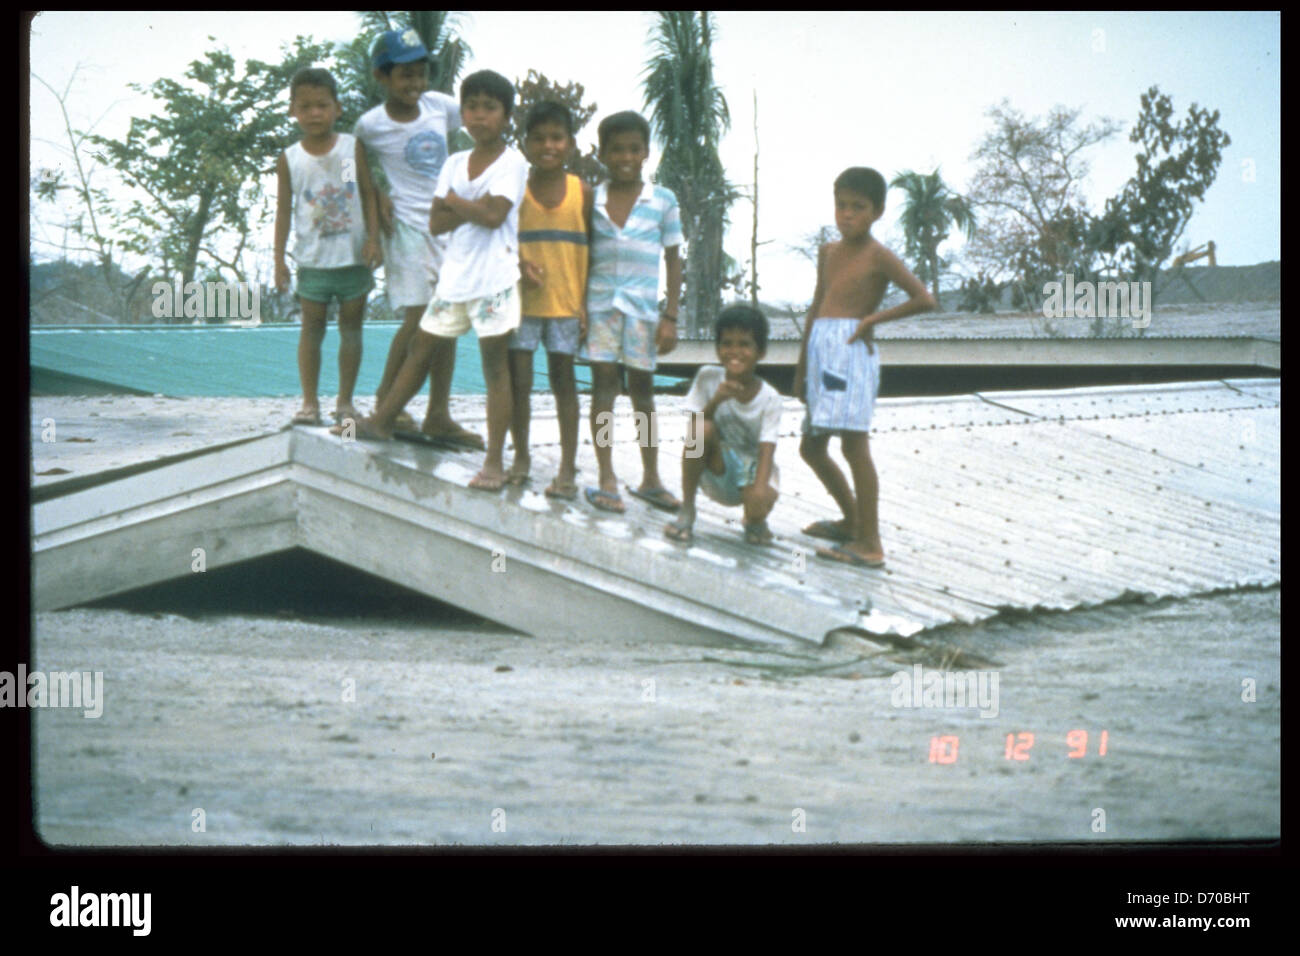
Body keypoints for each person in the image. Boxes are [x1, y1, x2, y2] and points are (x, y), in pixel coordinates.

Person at [341, 70, 529, 493]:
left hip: (495, 281)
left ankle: (496, 461)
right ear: (461, 113)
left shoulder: (512, 162)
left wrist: (458, 203)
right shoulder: (454, 162)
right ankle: (382, 421)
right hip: (455, 277)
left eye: (490, 108)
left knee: (494, 368)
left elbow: (494, 215)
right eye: (472, 107)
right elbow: (437, 222)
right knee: (421, 346)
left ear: (506, 116)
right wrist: (469, 207)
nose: (480, 116)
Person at [794, 167, 937, 569]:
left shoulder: (879, 255)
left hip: (851, 352)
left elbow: (924, 298)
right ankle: (851, 521)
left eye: (858, 208)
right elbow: (816, 306)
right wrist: (801, 366)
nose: (847, 215)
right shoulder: (828, 253)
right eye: (841, 206)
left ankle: (870, 542)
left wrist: (873, 319)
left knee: (853, 445)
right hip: (822, 349)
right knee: (811, 446)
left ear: (877, 212)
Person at [354, 28, 482, 447]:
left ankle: (438, 412)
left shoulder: (440, 107)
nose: (414, 84)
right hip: (406, 229)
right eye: (405, 75)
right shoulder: (370, 125)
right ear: (382, 77)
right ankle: (385, 400)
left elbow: (481, 125)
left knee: (448, 320)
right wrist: (377, 192)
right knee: (417, 320)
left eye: (420, 74)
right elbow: (350, 169)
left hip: (446, 225)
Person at [581, 111, 683, 515]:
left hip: (643, 312)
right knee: (604, 389)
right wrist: (578, 310)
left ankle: (651, 477)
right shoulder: (591, 199)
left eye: (634, 149)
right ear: (603, 153)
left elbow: (674, 258)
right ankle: (606, 475)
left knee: (643, 392)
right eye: (617, 149)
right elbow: (581, 256)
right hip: (600, 307)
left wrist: (670, 316)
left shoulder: (663, 200)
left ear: (646, 152)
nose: (626, 156)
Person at [274, 67, 381, 426]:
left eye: (322, 105)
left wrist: (373, 238)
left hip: (352, 259)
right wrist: (278, 259)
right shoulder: (291, 158)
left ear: (336, 107)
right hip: (313, 261)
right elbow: (285, 211)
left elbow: (359, 191)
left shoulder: (349, 149)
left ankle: (345, 402)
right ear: (293, 111)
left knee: (351, 330)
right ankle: (309, 402)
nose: (315, 113)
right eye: (306, 107)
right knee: (312, 330)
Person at [508, 101, 593, 499]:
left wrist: (586, 305)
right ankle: (521, 457)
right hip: (522, 306)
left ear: (571, 144)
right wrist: (520, 263)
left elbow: (595, 252)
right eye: (538, 138)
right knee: (518, 386)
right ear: (525, 145)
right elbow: (502, 240)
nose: (548, 145)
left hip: (566, 307)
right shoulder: (515, 189)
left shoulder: (583, 192)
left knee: (565, 387)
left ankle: (566, 467)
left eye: (556, 137)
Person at [664, 305, 783, 546]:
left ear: (760, 352)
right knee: (702, 428)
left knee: (761, 498)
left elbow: (766, 449)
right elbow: (695, 430)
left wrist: (760, 491)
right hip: (714, 468)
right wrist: (717, 399)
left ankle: (754, 521)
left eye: (744, 344)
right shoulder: (708, 377)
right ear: (718, 350)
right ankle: (687, 509)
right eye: (727, 343)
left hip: (750, 471)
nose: (734, 351)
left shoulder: (770, 397)